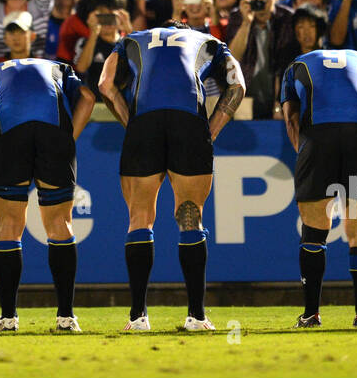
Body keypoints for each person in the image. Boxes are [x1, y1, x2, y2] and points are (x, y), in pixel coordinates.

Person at [96, 19, 246, 331]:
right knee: (191, 215)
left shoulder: (131, 39)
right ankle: (197, 316)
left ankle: (138, 317)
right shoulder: (207, 40)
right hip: (189, 121)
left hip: (145, 123)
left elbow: (105, 85)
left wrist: (131, 123)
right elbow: (237, 85)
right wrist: (211, 131)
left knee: (139, 217)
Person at [0, 24, 95, 332]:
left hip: (9, 136)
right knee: (60, 224)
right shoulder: (58, 67)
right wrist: (69, 137)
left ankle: (8, 318)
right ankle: (66, 317)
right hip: (53, 134)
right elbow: (87, 96)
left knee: (9, 226)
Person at [280, 45, 357, 327]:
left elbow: (291, 118)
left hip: (318, 134)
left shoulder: (297, 64)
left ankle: (310, 315)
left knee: (314, 231)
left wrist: (304, 153)